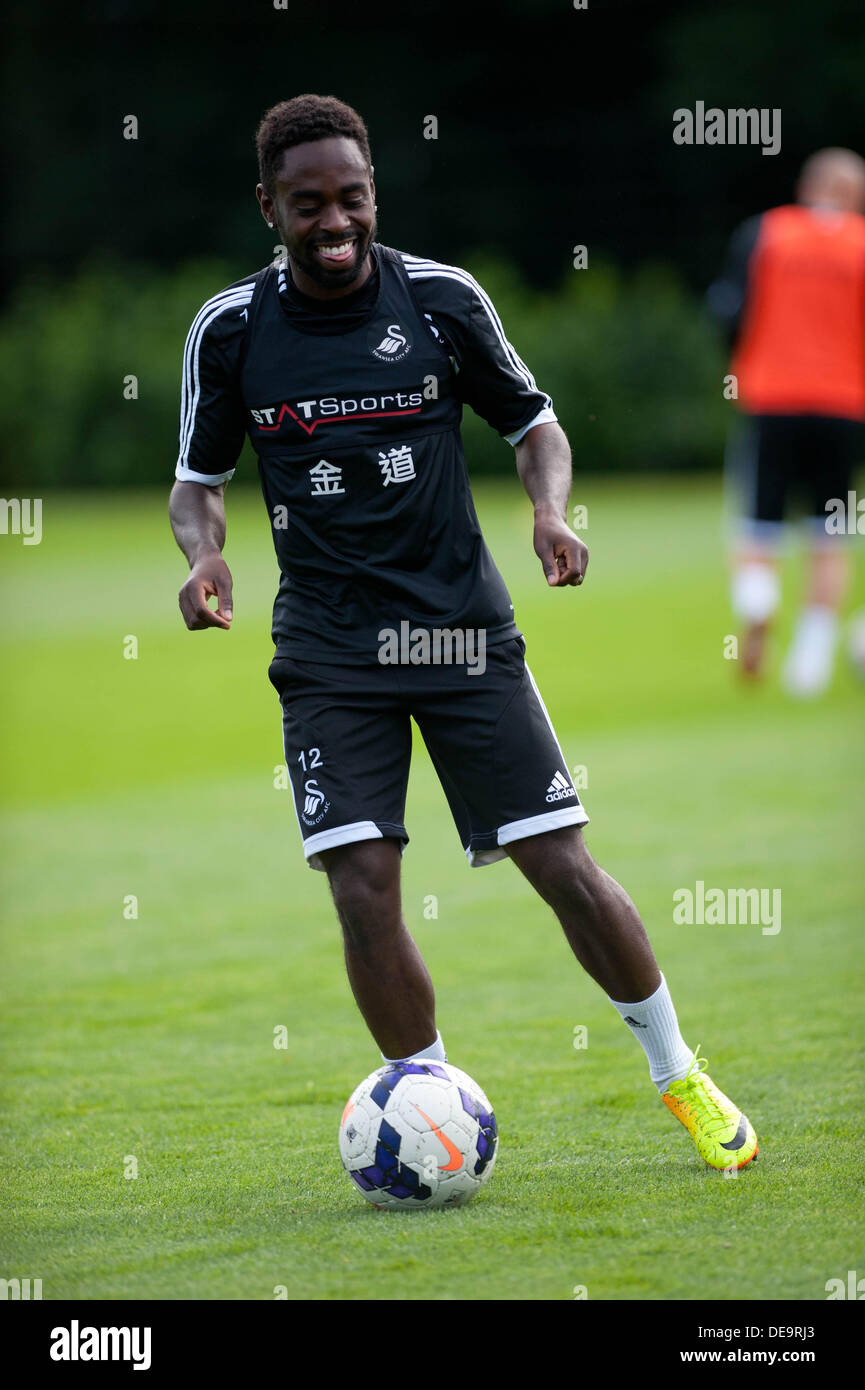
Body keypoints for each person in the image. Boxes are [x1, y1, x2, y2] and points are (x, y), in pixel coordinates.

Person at [169, 94, 757, 1178]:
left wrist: (548, 510)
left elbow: (533, 421)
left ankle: (678, 1071)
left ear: (374, 193)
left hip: (457, 634)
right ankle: (427, 1104)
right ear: (270, 207)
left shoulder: (439, 300)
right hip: (328, 653)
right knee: (360, 885)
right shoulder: (234, 328)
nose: (334, 220)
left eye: (352, 197)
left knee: (558, 860)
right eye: (309, 204)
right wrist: (203, 557)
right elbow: (197, 483)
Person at [708, 148, 865, 694]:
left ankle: (759, 599)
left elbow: (729, 310)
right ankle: (811, 663)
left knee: (758, 524)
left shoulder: (767, 232)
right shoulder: (862, 245)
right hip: (844, 405)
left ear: (808, 186)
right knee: (830, 533)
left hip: (771, 398)